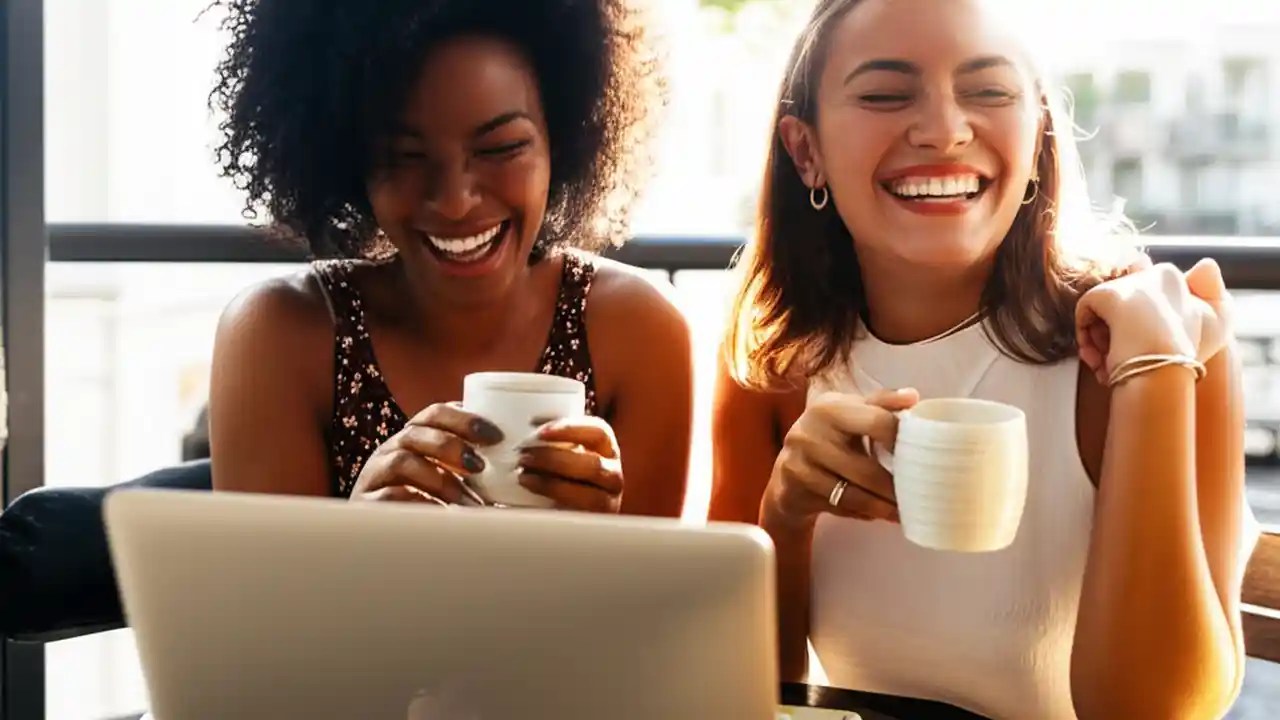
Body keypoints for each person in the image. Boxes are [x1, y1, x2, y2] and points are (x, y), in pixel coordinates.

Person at [710, 0, 1257, 717]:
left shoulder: (1156, 340)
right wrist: (784, 514)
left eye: (989, 91)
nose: (943, 130)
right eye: (884, 94)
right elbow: (735, 696)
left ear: (1036, 135)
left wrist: (1153, 371)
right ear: (805, 150)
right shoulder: (776, 361)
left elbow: (1157, 711)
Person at [207, 0, 693, 518]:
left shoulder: (638, 333)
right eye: (406, 157)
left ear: (566, 136)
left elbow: (658, 599)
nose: (456, 200)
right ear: (352, 161)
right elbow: (257, 599)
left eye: (500, 148)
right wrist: (352, 538)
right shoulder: (283, 334)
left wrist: (608, 543)